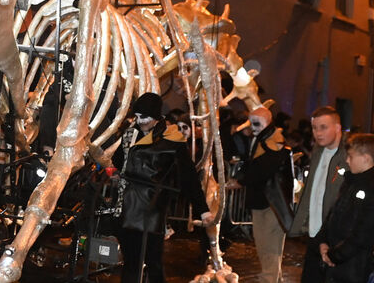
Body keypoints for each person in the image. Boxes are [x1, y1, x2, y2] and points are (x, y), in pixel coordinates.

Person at [114, 92, 210, 283]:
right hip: (126, 205)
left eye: (144, 117)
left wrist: (203, 210)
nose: (139, 121)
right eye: (137, 116)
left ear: (156, 117)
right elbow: (118, 160)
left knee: (153, 262)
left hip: (152, 208)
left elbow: (188, 177)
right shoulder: (131, 133)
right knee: (131, 262)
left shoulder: (172, 139)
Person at [313, 133, 374, 282]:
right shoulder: (350, 181)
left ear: (365, 158)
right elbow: (333, 213)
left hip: (354, 266)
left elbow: (363, 231)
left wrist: (334, 255)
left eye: (351, 156)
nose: (347, 160)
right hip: (336, 259)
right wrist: (323, 241)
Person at [230, 106, 292, 283]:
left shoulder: (273, 141)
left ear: (267, 122)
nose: (253, 126)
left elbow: (263, 168)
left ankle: (269, 278)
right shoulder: (263, 139)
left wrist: (241, 181)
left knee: (269, 243)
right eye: (251, 122)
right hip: (264, 199)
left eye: (256, 123)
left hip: (272, 201)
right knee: (264, 241)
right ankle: (272, 277)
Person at [290, 106, 348, 283]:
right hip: (314, 231)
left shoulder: (349, 155)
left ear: (337, 128)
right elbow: (312, 191)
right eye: (315, 128)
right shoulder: (317, 152)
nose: (318, 133)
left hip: (334, 235)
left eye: (323, 127)